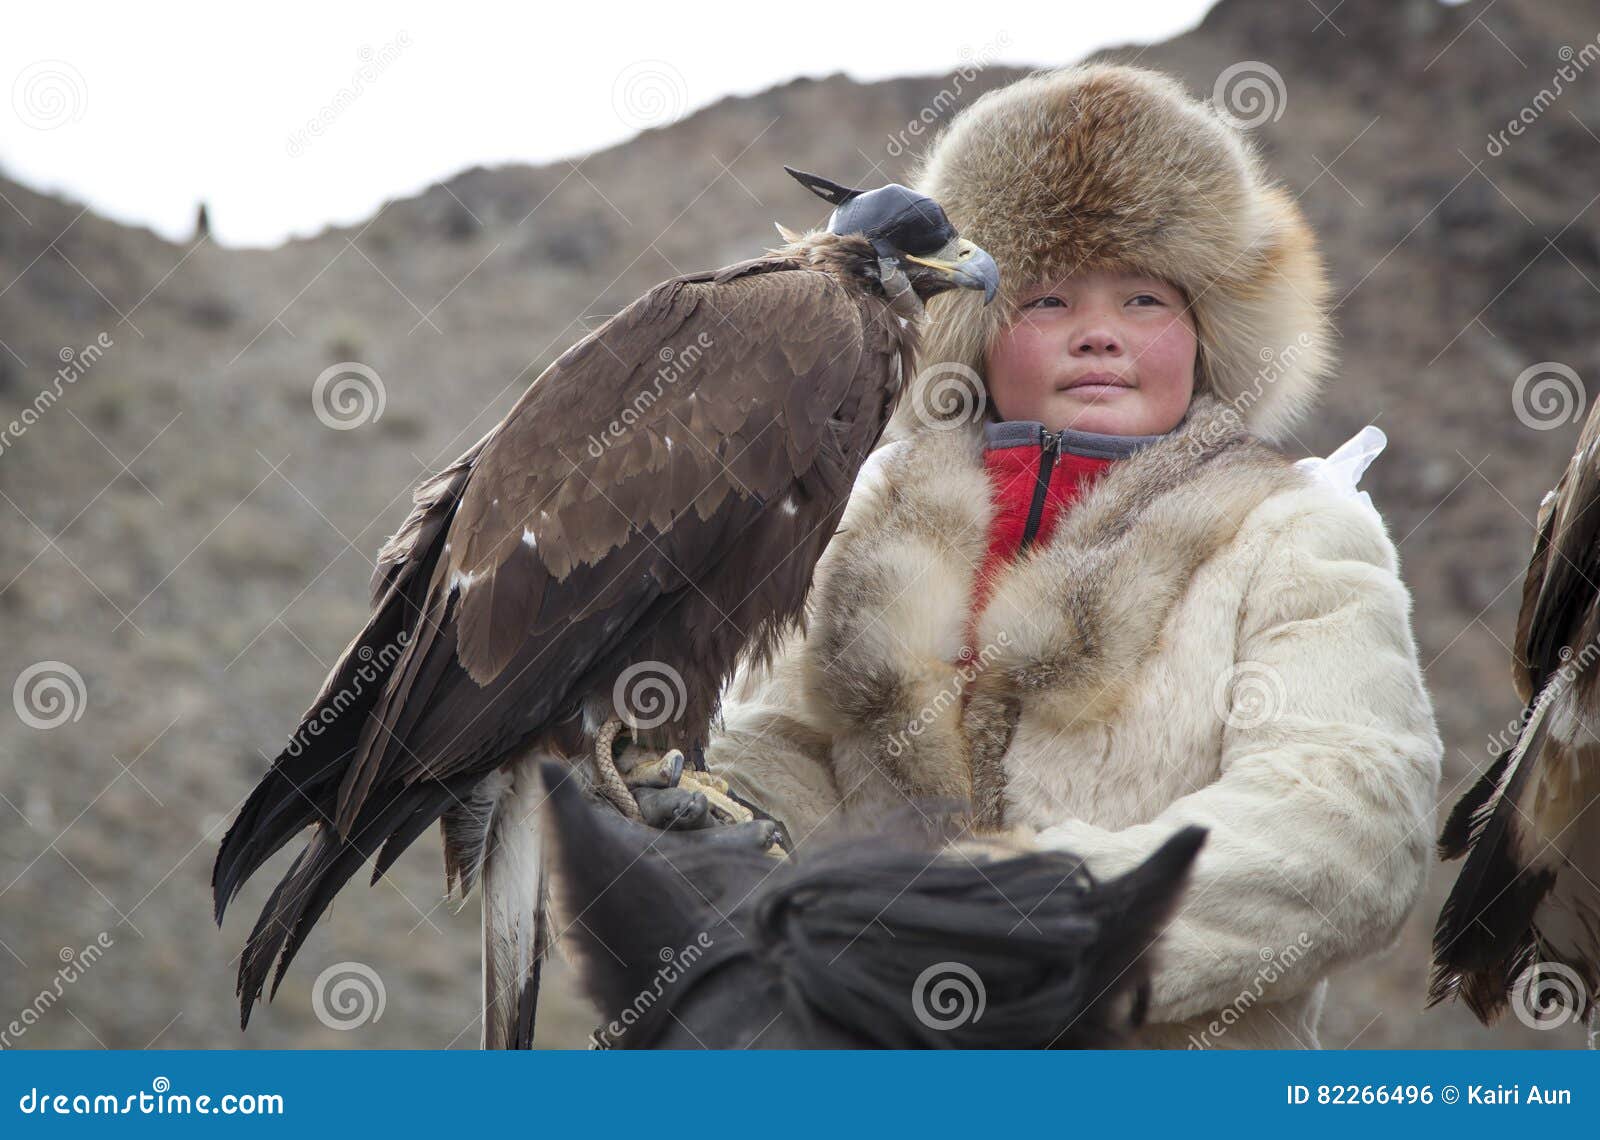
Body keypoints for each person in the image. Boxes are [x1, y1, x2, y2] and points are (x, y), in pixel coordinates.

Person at [622, 63, 1443, 1049]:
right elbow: (778, 757)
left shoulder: (1292, 531)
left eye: (1144, 299)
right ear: (972, 325)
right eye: (1047, 299)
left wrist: (1016, 925)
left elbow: (1345, 824)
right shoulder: (868, 510)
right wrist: (695, 839)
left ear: (1209, 332)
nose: (1098, 334)